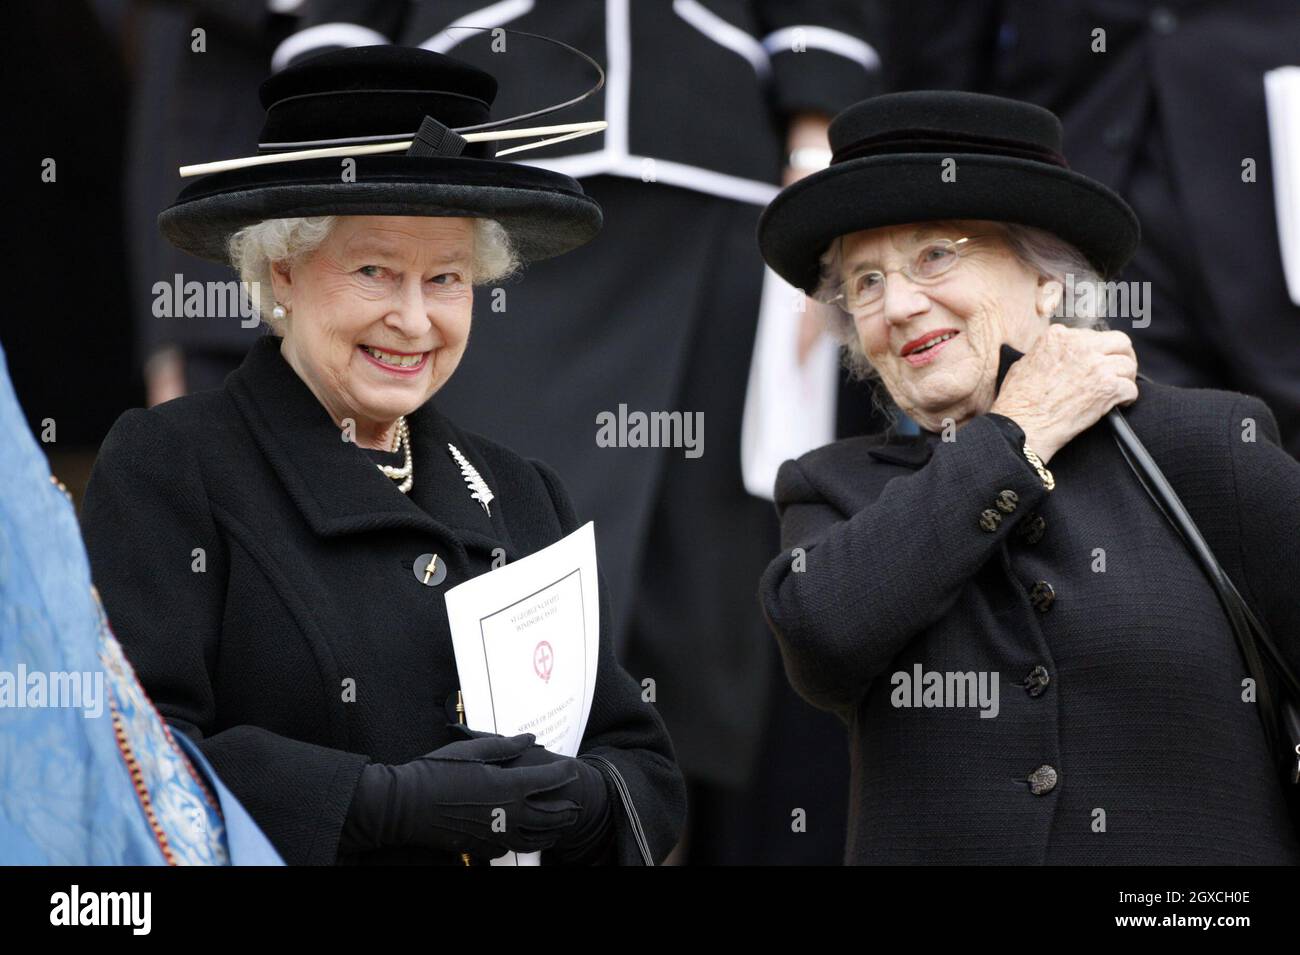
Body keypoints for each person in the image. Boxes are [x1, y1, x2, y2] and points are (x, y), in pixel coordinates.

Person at [80, 45, 686, 865]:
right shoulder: (171, 464)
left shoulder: (521, 491)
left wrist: (579, 800)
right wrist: (372, 804)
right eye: (375, 270)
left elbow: (642, 766)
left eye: (446, 278)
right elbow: (134, 752)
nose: (415, 319)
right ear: (283, 270)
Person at [756, 90, 1300, 864]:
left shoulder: (1206, 445)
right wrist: (1018, 433)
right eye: (866, 282)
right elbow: (821, 640)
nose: (900, 305)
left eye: (935, 255)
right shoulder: (835, 488)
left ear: (1046, 278)